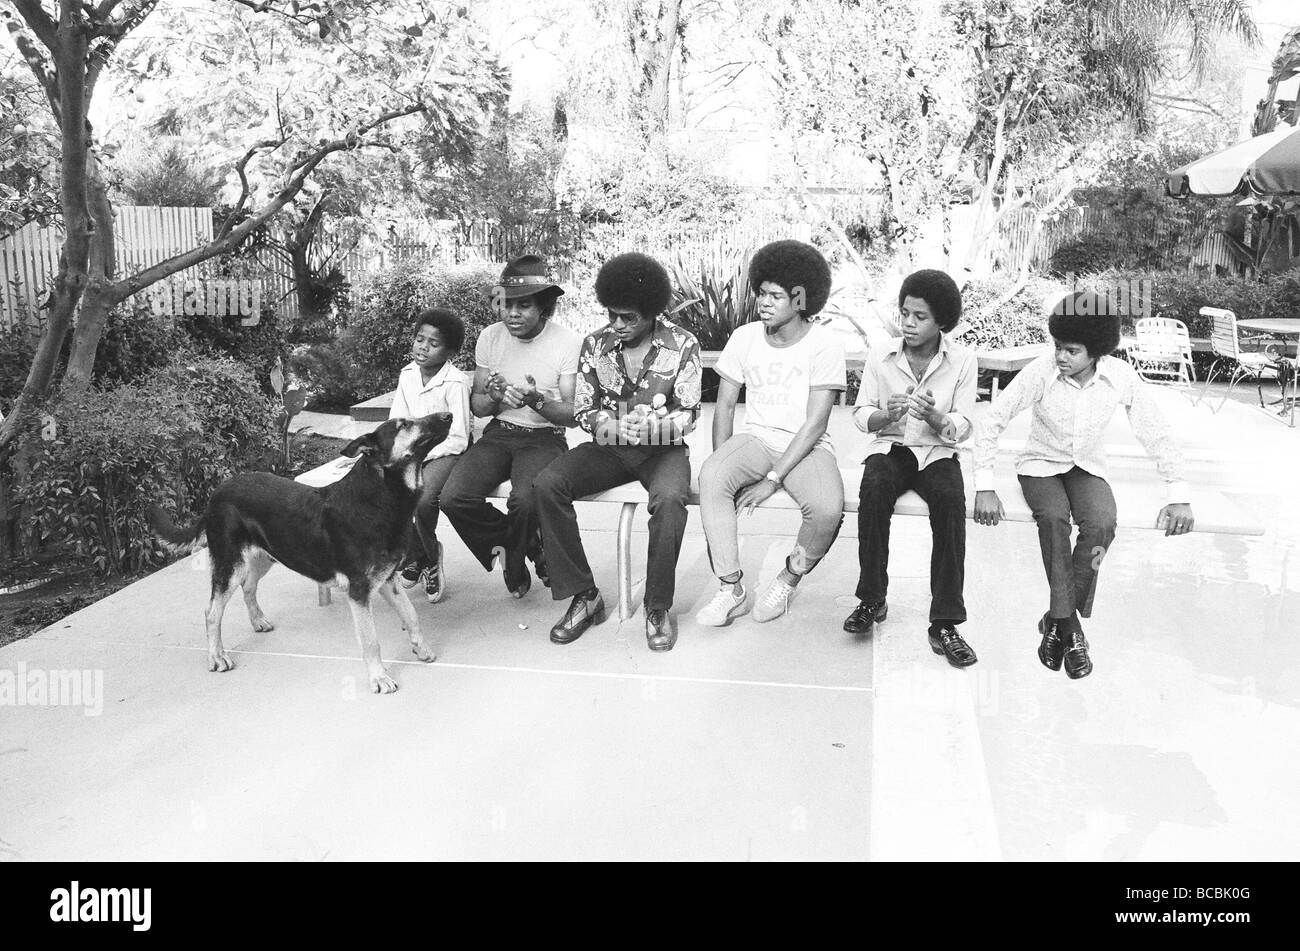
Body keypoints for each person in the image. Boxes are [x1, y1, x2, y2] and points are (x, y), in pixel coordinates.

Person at [972, 290, 1195, 679]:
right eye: (1057, 346)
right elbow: (993, 420)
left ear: (1097, 352)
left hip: (1086, 467)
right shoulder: (1041, 372)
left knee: (1102, 524)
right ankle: (1071, 628)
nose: (1060, 357)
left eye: (1071, 351)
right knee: (1055, 519)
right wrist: (984, 484)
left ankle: (1058, 619)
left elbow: (1155, 431)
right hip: (1040, 466)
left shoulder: (1120, 377)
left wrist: (1178, 493)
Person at [534, 252, 702, 651]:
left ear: (651, 312)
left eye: (629, 318)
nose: (618, 325)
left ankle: (657, 606)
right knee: (547, 484)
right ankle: (584, 596)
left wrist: (653, 428)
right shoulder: (595, 343)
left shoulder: (682, 344)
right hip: (609, 446)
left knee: (670, 500)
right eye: (612, 315)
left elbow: (689, 413)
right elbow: (584, 408)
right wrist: (608, 425)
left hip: (663, 449)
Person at [696, 239, 846, 626]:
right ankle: (731, 588)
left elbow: (816, 423)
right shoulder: (744, 337)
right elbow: (725, 406)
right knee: (712, 475)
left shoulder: (825, 344)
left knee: (828, 509)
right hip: (758, 439)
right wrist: (723, 460)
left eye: (776, 296)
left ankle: (788, 578)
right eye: (761, 293)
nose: (763, 302)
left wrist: (772, 479)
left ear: (800, 299)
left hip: (807, 446)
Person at [845, 269, 979, 668]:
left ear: (942, 321)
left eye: (920, 316)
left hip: (937, 452)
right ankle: (872, 600)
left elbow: (965, 423)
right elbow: (860, 412)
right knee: (874, 490)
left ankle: (945, 623)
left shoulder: (963, 360)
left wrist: (938, 420)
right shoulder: (881, 355)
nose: (908, 323)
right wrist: (885, 416)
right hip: (893, 446)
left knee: (952, 505)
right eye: (904, 313)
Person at [441, 255, 583, 598]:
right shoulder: (490, 338)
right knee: (453, 498)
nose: (512, 314)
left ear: (544, 307)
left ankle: (514, 560)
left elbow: (574, 413)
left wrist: (537, 400)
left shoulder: (567, 342)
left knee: (524, 501)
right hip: (500, 433)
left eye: (524, 305)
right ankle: (526, 548)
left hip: (545, 438)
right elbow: (478, 406)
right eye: (506, 305)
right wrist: (493, 398)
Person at [391, 308, 472, 603]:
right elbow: (398, 420)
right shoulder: (408, 375)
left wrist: (419, 457)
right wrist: (398, 452)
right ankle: (420, 556)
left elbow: (459, 437)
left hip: (446, 451)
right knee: (389, 493)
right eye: (419, 339)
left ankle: (428, 557)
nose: (422, 347)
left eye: (433, 343)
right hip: (413, 452)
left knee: (423, 499)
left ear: (449, 351)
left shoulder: (455, 382)